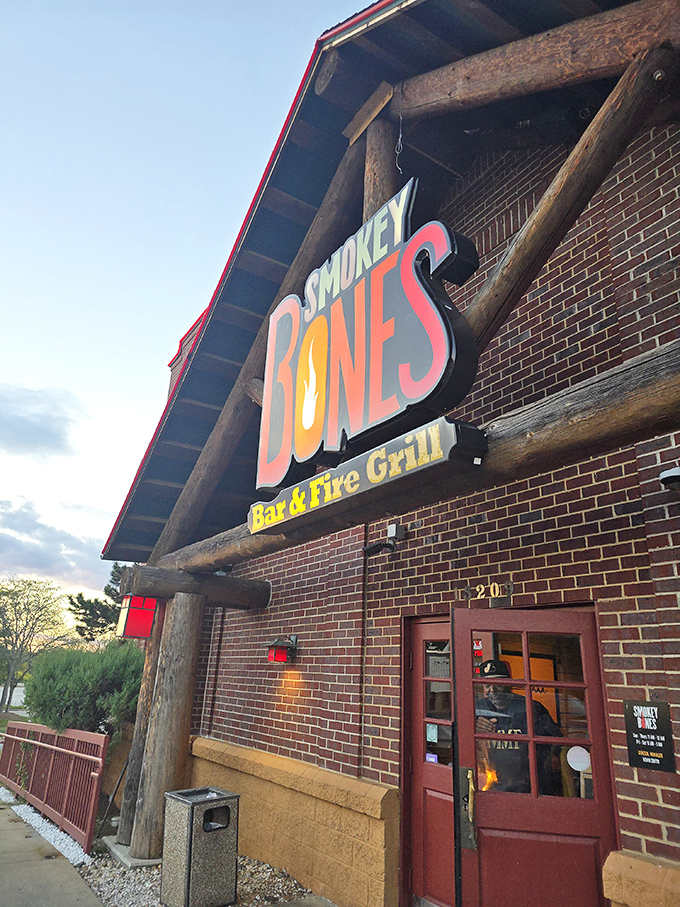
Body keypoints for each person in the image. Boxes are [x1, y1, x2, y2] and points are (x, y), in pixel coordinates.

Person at [475, 659, 563, 794]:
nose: (492, 690)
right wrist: (474, 727)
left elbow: (556, 741)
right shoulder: (477, 708)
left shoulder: (529, 707)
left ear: (508, 683)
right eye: (487, 685)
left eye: (497, 684)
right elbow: (461, 740)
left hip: (528, 784)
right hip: (491, 782)